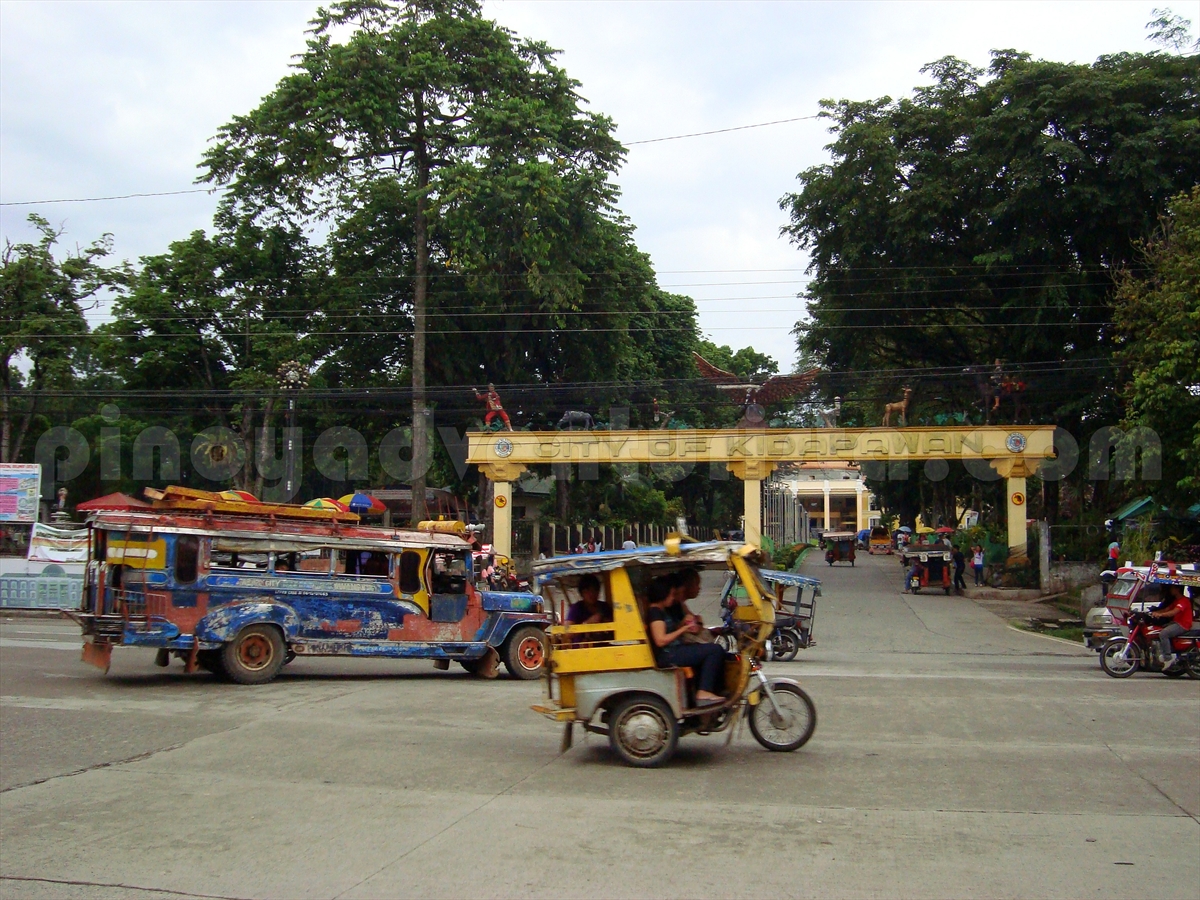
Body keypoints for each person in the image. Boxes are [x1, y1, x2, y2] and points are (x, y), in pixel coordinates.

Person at [645, 579, 725, 706]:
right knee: (714, 650)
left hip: (674, 649)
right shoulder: (655, 613)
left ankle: (703, 692)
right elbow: (660, 640)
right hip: (668, 654)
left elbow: (671, 630)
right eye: (671, 595)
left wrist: (683, 624)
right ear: (663, 595)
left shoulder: (662, 611)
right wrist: (683, 629)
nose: (673, 598)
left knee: (706, 650)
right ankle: (703, 692)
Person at [1149, 584, 1193, 668]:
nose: (1170, 590)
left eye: (1172, 588)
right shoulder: (1176, 601)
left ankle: (1168, 657)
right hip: (1175, 623)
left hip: (1183, 625)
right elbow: (1167, 609)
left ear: (1177, 589)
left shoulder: (1184, 601)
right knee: (1158, 629)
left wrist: (1160, 615)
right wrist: (1156, 612)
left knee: (1163, 634)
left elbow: (1173, 612)